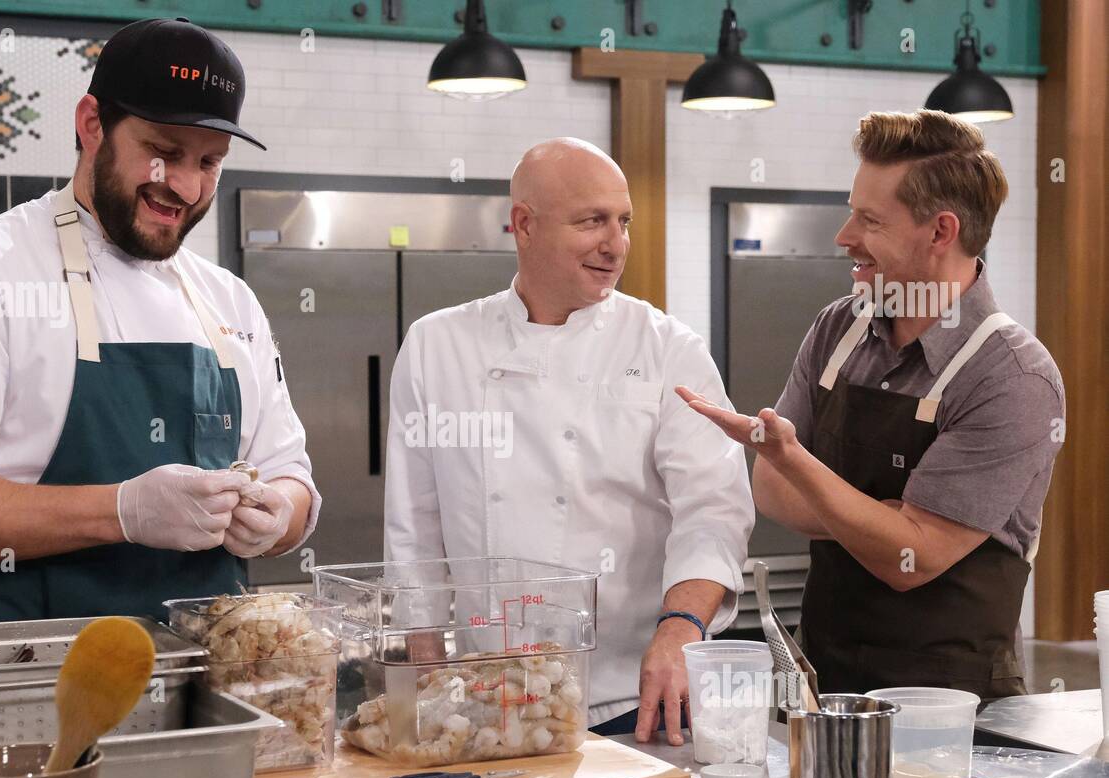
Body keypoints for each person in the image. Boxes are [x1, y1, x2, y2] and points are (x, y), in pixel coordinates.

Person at [0, 18, 319, 623]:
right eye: (162, 154)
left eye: (210, 161)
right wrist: (122, 511)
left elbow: (292, 479)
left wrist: (274, 518)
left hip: (209, 685)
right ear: (91, 125)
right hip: (30, 684)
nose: (185, 186)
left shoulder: (229, 302)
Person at [681, 110, 1064, 700]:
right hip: (824, 681)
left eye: (869, 219)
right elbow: (770, 490)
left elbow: (908, 560)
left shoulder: (1012, 376)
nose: (844, 236)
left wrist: (799, 462)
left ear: (940, 232)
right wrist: (880, 516)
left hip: (952, 705)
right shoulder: (840, 327)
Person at [384, 138, 754, 743]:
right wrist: (421, 679)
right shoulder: (436, 346)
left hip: (633, 701)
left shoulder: (667, 348)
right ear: (524, 225)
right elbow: (414, 530)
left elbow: (714, 508)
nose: (616, 244)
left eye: (624, 221)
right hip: (486, 703)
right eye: (593, 222)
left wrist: (682, 628)